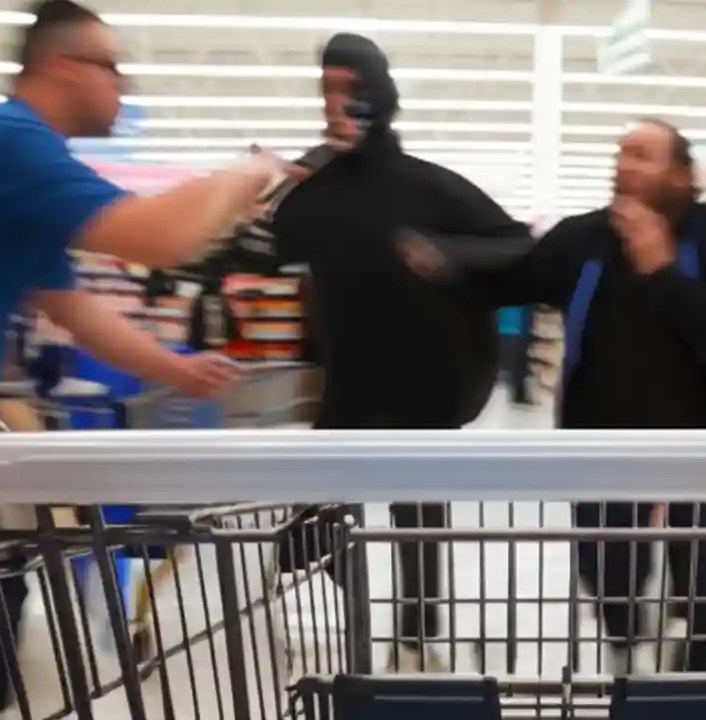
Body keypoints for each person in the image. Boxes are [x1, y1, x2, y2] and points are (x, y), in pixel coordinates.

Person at [0, 0, 289, 716]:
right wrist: (245, 173)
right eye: (113, 67)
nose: (124, 87)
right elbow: (154, 237)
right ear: (63, 67)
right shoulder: (13, 141)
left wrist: (180, 371)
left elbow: (71, 307)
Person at [404, 118, 706, 673]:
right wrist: (443, 262)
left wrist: (662, 271)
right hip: (599, 447)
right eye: (621, 153)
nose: (624, 164)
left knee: (700, 587)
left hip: (697, 446)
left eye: (642, 155)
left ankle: (690, 674)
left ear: (682, 176)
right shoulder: (583, 239)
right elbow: (512, 274)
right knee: (607, 573)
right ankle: (626, 657)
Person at [270, 32, 534, 672]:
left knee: (419, 525)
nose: (337, 103)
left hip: (428, 391)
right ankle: (364, 617)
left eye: (349, 88)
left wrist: (450, 256)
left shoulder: (431, 188)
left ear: (377, 93)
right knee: (307, 530)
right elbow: (255, 247)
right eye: (327, 89)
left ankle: (414, 639)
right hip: (352, 391)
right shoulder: (315, 190)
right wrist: (268, 186)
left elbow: (519, 247)